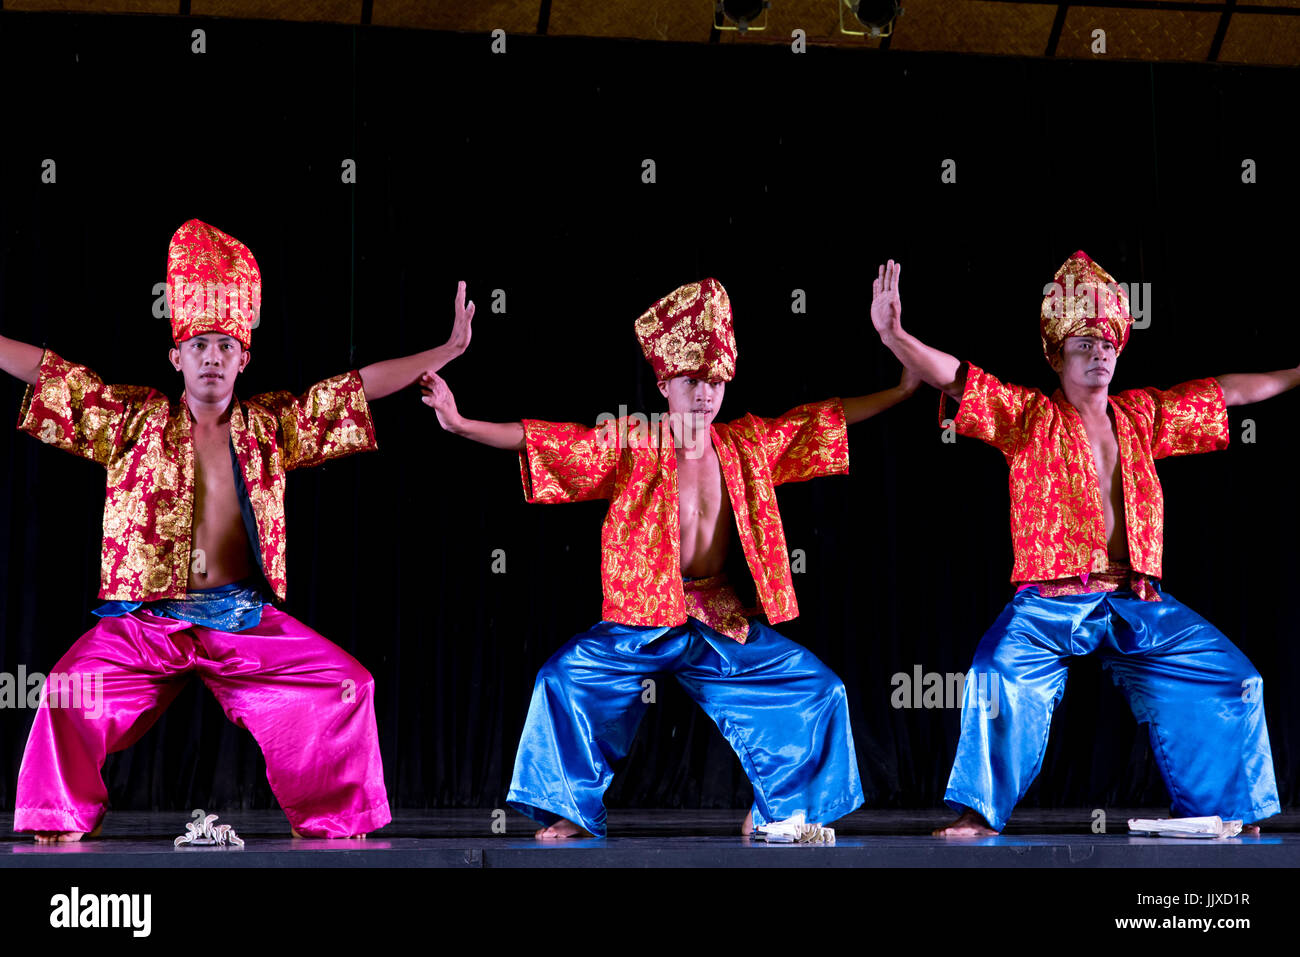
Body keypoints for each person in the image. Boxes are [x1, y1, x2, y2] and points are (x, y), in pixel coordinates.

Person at [3, 218, 474, 841]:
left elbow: (352, 390)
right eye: (199, 345)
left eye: (226, 346)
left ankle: (339, 819)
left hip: (240, 617)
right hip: (145, 622)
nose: (212, 357)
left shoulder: (271, 427)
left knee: (348, 686)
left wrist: (441, 353)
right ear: (176, 357)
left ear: (243, 359)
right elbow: (56, 377)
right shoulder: (134, 421)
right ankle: (57, 820)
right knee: (63, 692)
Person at [423, 277, 918, 838]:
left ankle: (781, 808)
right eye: (691, 381)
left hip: (720, 616)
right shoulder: (633, 443)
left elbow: (821, 421)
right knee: (562, 681)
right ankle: (572, 809)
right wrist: (461, 424)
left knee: (819, 689)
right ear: (664, 383)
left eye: (715, 381)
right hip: (643, 614)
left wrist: (902, 390)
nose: (705, 394)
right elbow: (554, 442)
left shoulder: (747, 445)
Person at [869, 252, 1291, 836]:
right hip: (1052, 599)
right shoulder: (1027, 415)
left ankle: (1227, 810)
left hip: (1136, 597)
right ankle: (977, 813)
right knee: (996, 675)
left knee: (1234, 679)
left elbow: (1230, 394)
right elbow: (954, 376)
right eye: (1083, 344)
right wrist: (895, 336)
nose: (1098, 353)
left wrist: (1298, 374)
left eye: (1106, 344)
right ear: (1057, 355)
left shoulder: (1143, 416)